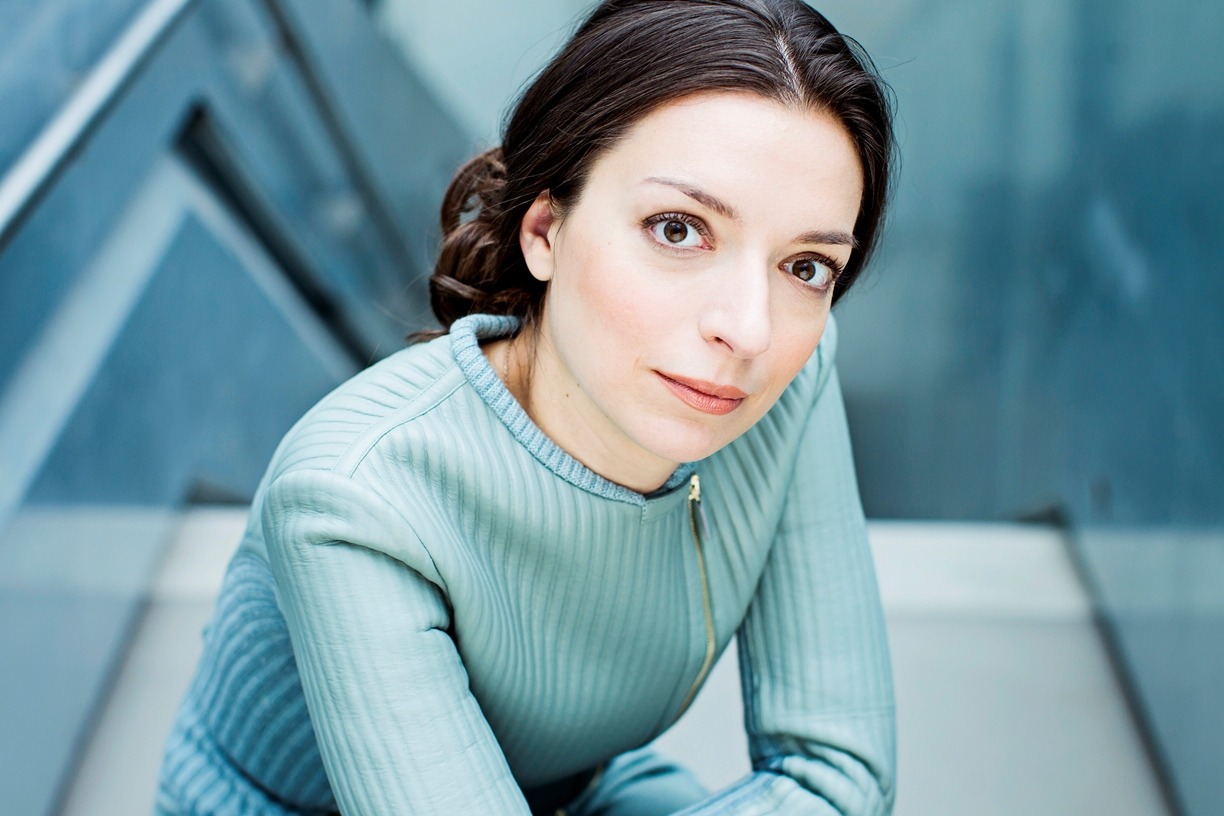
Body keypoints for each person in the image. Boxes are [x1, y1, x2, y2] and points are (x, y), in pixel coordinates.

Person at [156, 0, 897, 813]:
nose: (748, 330)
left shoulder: (787, 377)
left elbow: (836, 779)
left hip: (567, 792)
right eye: (678, 230)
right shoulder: (354, 497)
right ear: (545, 229)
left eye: (807, 268)